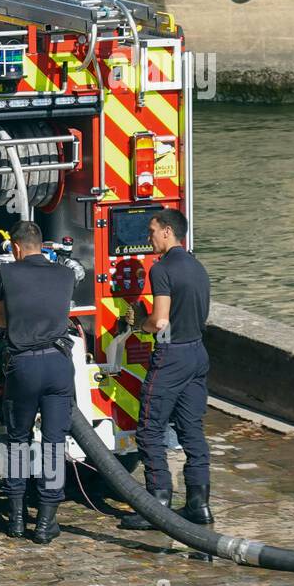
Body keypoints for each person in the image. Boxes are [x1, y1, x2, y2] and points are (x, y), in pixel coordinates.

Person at [119, 209, 213, 529]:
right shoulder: (198, 267)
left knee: (150, 427)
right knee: (191, 430)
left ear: (167, 232)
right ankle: (199, 505)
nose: (149, 237)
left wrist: (141, 325)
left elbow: (160, 321)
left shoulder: (162, 270)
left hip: (171, 356)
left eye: (152, 231)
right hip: (197, 352)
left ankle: (157, 506)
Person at [0, 221, 77, 544]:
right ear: (42, 245)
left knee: (17, 441)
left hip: (23, 366)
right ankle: (45, 523)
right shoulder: (66, 274)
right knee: (54, 443)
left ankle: (15, 519)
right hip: (58, 364)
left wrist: (18, 321)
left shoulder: (6, 275)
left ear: (15, 248)